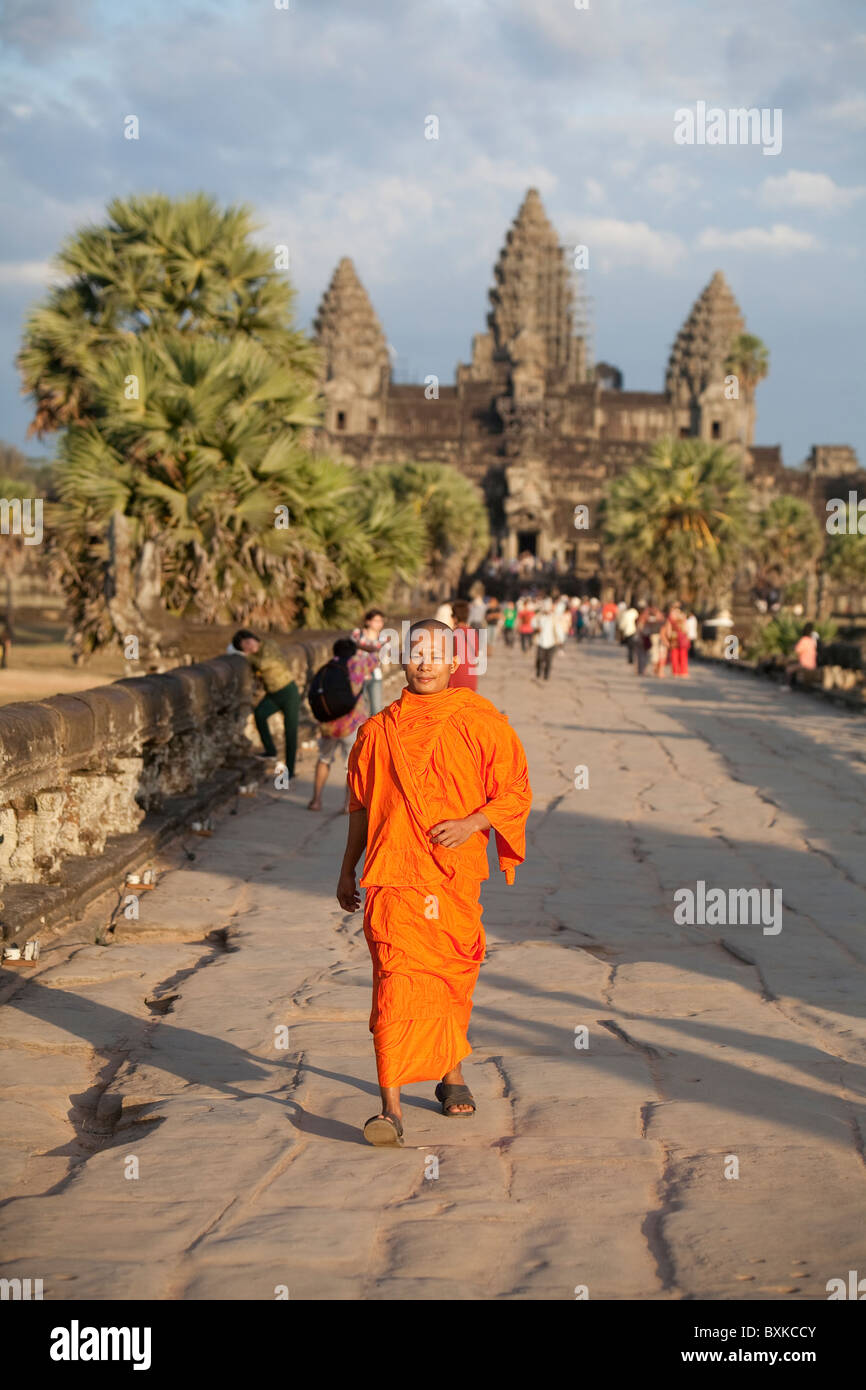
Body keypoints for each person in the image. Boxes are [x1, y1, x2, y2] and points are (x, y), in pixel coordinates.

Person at [337, 619, 531, 1145]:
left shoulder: (479, 720)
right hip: (393, 875)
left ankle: (452, 1075)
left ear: (453, 663)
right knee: (395, 982)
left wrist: (472, 824)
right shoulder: (376, 732)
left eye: (435, 654)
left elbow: (514, 790)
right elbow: (360, 807)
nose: (424, 662)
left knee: (450, 979)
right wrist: (346, 867)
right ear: (402, 659)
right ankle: (390, 1107)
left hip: (452, 876)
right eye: (415, 651)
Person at [308, 638, 377, 811]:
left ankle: (316, 801)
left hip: (328, 725)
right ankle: (347, 805)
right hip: (351, 724)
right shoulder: (358, 666)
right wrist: (363, 646)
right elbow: (379, 653)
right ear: (353, 651)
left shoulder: (326, 668)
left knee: (324, 759)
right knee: (350, 766)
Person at [233, 629, 300, 779]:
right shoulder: (253, 656)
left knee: (290, 732)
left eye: (248, 643)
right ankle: (270, 750)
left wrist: (247, 657)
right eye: (244, 647)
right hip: (273, 694)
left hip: (288, 691)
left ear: (253, 637)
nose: (248, 648)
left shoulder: (269, 644)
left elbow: (265, 664)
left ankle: (290, 769)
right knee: (259, 714)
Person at [352, 607, 387, 716]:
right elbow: (352, 647)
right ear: (368, 621)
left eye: (381, 621)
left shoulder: (383, 637)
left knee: (376, 708)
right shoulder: (358, 634)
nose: (379, 624)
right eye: (376, 621)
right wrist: (373, 649)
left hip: (375, 674)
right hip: (358, 674)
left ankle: (372, 731)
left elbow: (383, 657)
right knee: (357, 708)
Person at [448, 599, 479, 691]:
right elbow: (475, 654)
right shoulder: (472, 632)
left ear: (455, 617)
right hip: (470, 677)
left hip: (456, 679)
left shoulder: (451, 634)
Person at [784, 622, 818, 690]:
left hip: (804, 664)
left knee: (789, 669)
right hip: (813, 664)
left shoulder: (804, 640)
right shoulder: (812, 641)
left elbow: (797, 650)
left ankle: (788, 686)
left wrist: (792, 647)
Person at [532, 598, 558, 680]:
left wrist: (560, 640)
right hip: (541, 641)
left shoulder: (554, 617)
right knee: (540, 658)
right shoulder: (538, 617)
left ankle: (546, 675)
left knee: (549, 660)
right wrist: (536, 629)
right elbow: (533, 624)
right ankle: (539, 671)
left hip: (552, 642)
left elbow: (558, 629)